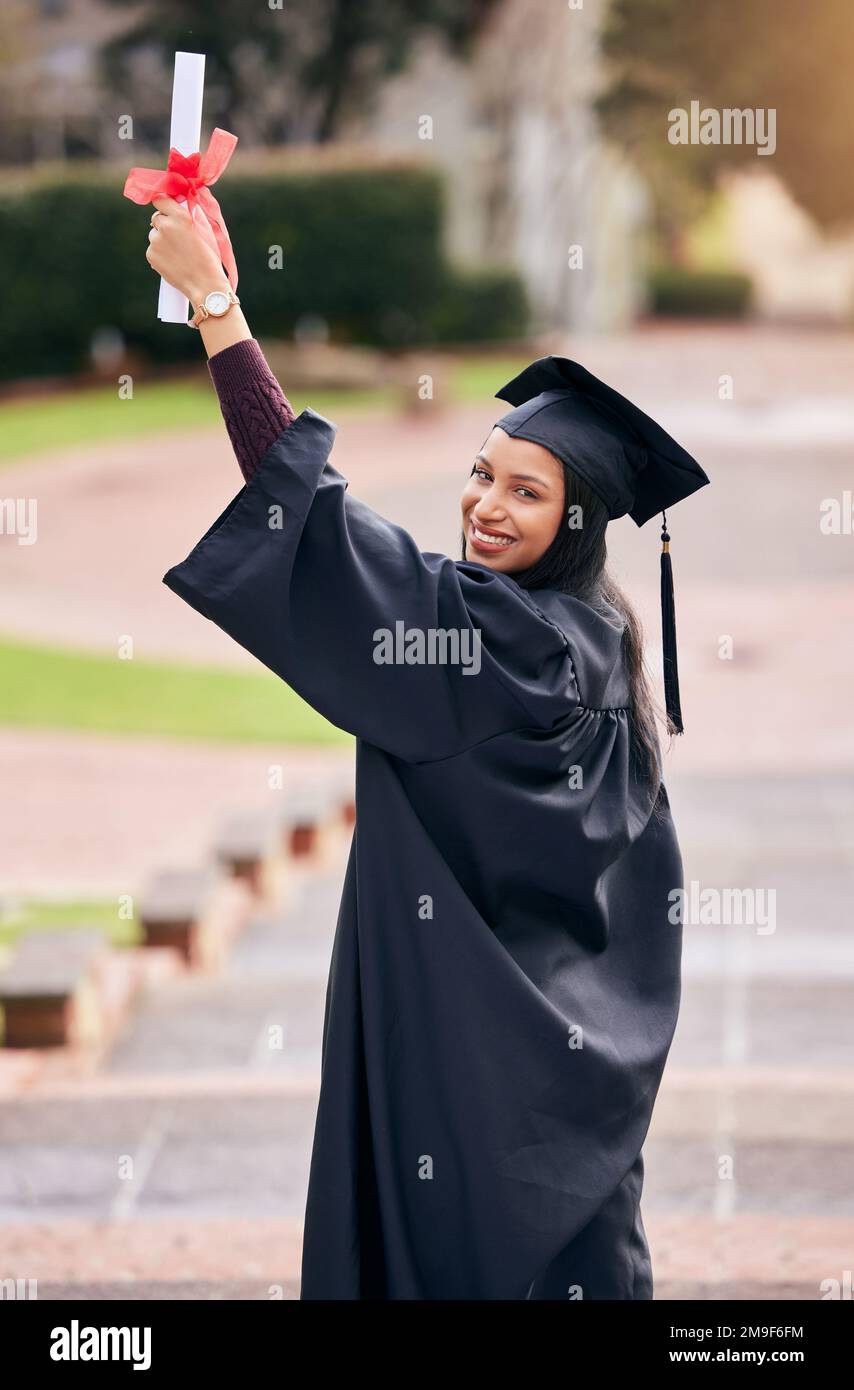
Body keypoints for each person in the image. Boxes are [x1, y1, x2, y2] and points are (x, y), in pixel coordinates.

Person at [144, 194, 709, 1300]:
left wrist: (218, 309)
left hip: (472, 1072)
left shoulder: (507, 646)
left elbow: (316, 528)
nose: (485, 506)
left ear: (581, 523)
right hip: (563, 1082)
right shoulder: (593, 640)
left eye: (526, 491)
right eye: (483, 473)